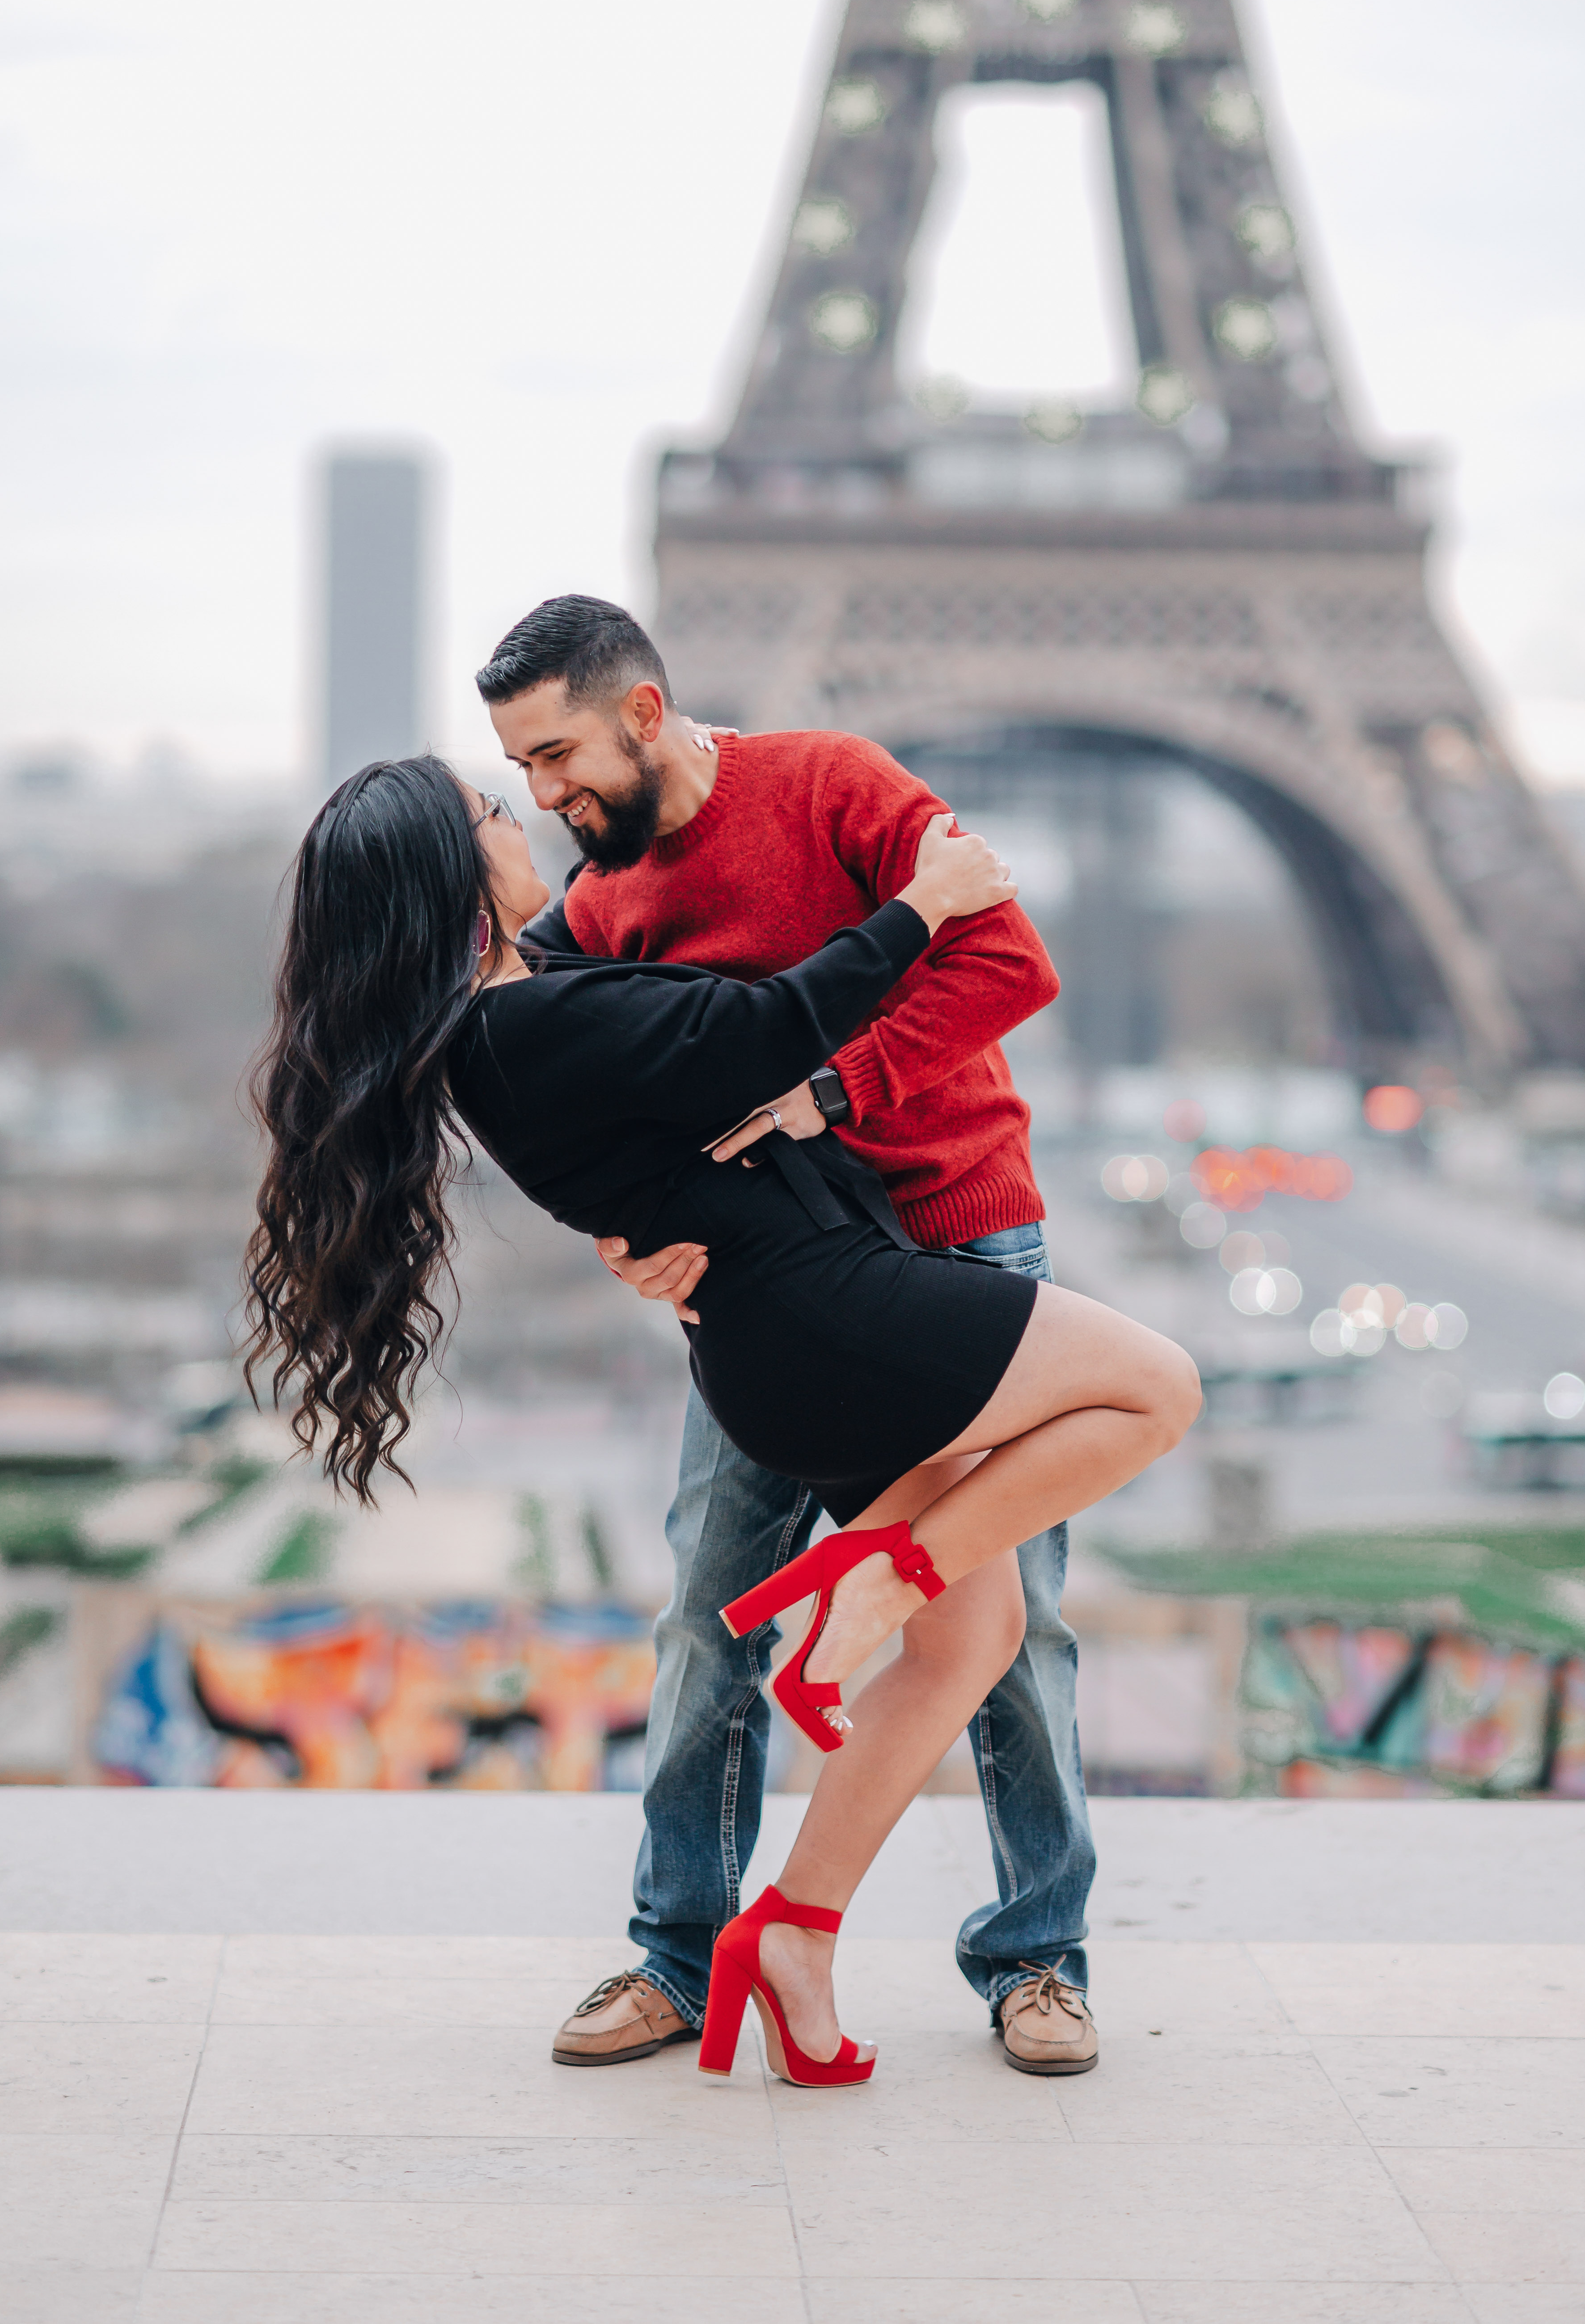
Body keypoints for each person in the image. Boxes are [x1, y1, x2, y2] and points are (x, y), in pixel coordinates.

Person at [245, 746, 1200, 2087]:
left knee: (975, 1640)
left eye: (536, 773)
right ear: (448, 874)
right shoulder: (525, 1020)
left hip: (790, 1335)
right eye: (498, 806)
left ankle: (795, 1931)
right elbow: (757, 1035)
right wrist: (922, 906)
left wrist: (635, 1228)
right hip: (835, 1316)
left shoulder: (519, 1004)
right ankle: (873, 1586)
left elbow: (658, 1114)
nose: (530, 815)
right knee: (1157, 1388)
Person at [478, 598, 1109, 2077]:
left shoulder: (832, 783)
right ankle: (677, 1956)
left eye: (559, 756)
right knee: (706, 1615)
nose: (547, 796)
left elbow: (1009, 965)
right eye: (520, 773)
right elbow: (582, 1098)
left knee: (1014, 1635)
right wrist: (626, 1238)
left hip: (955, 1242)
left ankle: (1037, 1960)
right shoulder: (595, 902)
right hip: (775, 1288)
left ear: (643, 713)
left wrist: (828, 1096)